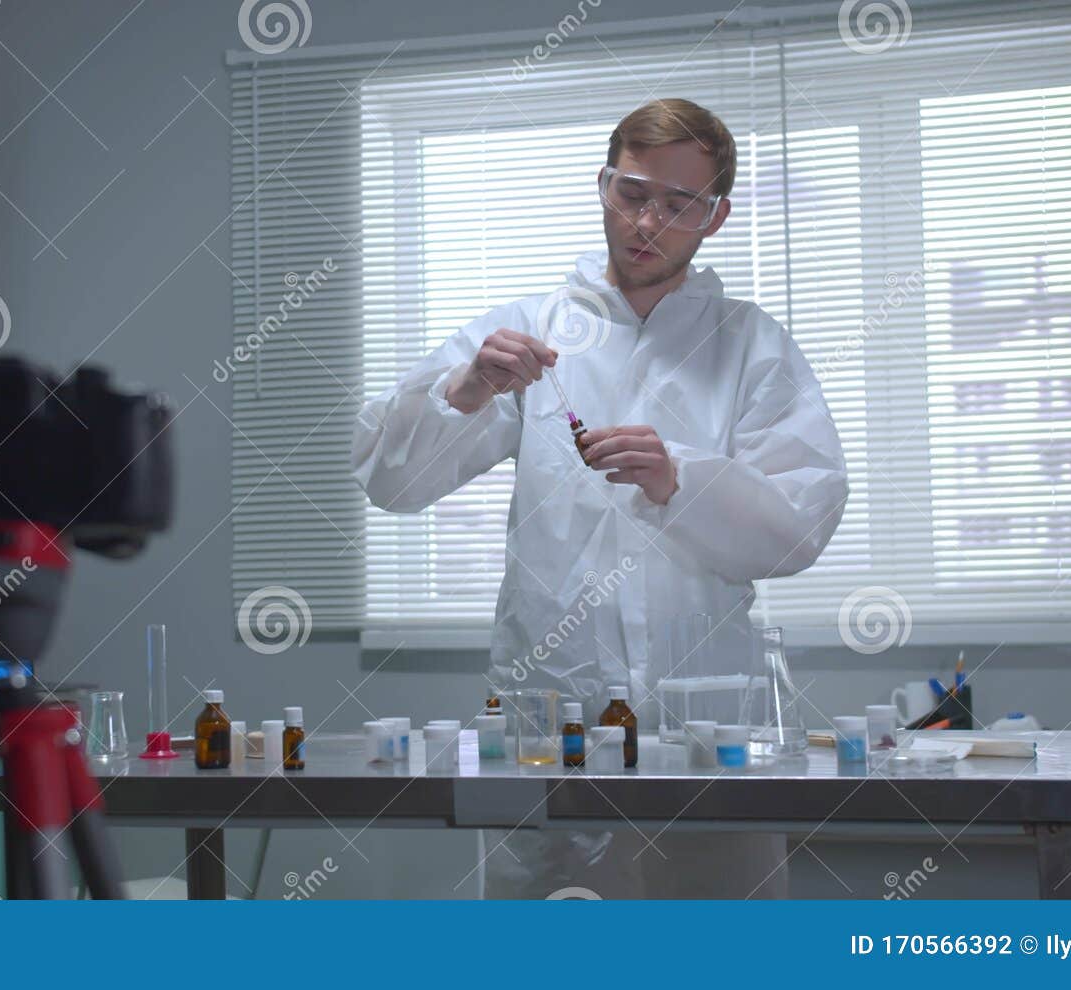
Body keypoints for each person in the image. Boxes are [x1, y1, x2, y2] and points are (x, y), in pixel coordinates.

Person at [350, 99, 849, 898]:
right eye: (631, 192)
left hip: (707, 733)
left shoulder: (751, 347)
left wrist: (680, 477)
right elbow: (391, 480)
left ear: (716, 217)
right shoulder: (529, 331)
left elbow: (799, 530)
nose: (647, 220)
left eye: (678, 203)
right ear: (602, 186)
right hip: (555, 726)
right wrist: (468, 388)